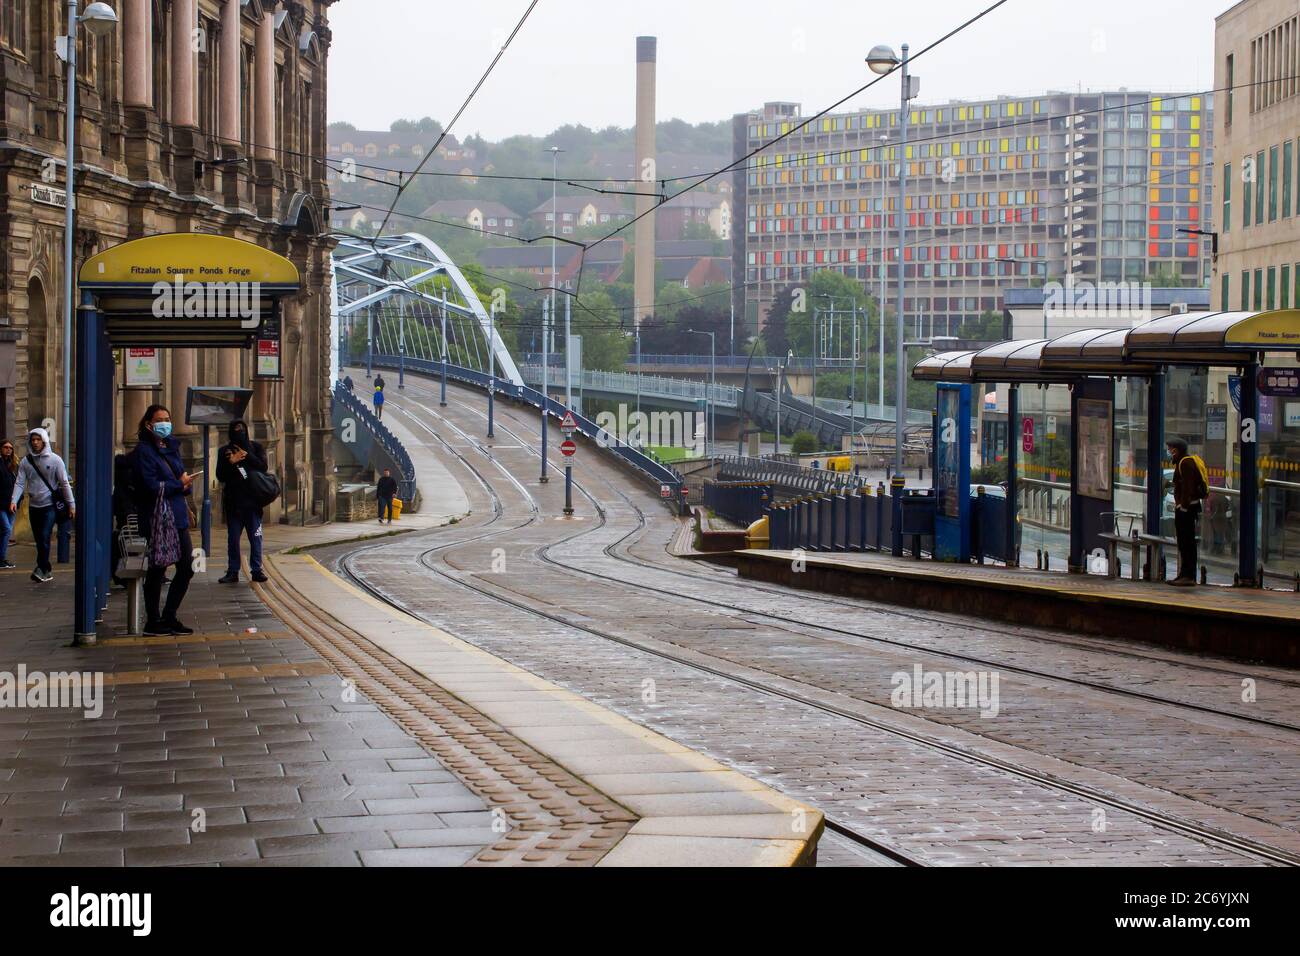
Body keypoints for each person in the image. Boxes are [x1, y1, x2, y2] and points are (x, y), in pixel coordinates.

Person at [133, 405, 196, 634]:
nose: (165, 423)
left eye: (167, 419)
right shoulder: (144, 451)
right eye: (160, 419)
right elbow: (150, 486)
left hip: (177, 515)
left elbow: (179, 477)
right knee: (158, 569)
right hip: (158, 518)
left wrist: (185, 486)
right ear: (149, 423)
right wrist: (179, 484)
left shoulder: (171, 446)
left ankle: (169, 615)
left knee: (186, 568)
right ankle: (153, 620)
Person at [8, 427, 74, 583]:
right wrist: (13, 501)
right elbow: (19, 483)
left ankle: (41, 569)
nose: (36, 442)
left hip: (49, 506)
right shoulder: (26, 461)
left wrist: (72, 505)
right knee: (40, 540)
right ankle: (46, 569)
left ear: (44, 441)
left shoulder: (55, 460)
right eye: (33, 440)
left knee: (44, 536)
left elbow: (64, 483)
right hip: (34, 506)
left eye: (38, 439)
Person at [215, 419, 269, 584]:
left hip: (253, 503)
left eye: (242, 429)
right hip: (234, 503)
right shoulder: (224, 451)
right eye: (236, 429)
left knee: (256, 537)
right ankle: (233, 571)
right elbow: (220, 475)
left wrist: (247, 456)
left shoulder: (255, 447)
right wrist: (232, 462)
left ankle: (257, 570)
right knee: (233, 539)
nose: (239, 432)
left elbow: (263, 467)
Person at [1166, 437, 1208, 587]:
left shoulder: (1185, 463)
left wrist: (1183, 507)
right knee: (1184, 543)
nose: (1169, 452)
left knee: (1187, 543)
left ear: (1176, 450)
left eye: (1170, 449)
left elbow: (1188, 487)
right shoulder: (1184, 462)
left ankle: (1188, 576)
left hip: (1187, 508)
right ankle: (1184, 574)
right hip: (1189, 507)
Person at [110, 451, 140, 587]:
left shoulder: (119, 484)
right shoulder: (130, 481)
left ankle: (119, 575)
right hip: (130, 520)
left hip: (124, 521)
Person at [0, 439, 18, 570]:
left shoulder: (12, 465)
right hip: (1, 504)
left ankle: (2, 558)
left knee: (5, 531)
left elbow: (17, 483)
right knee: (6, 529)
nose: (8, 450)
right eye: (6, 447)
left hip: (12, 504)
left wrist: (19, 498)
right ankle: (1, 559)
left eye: (10, 448)